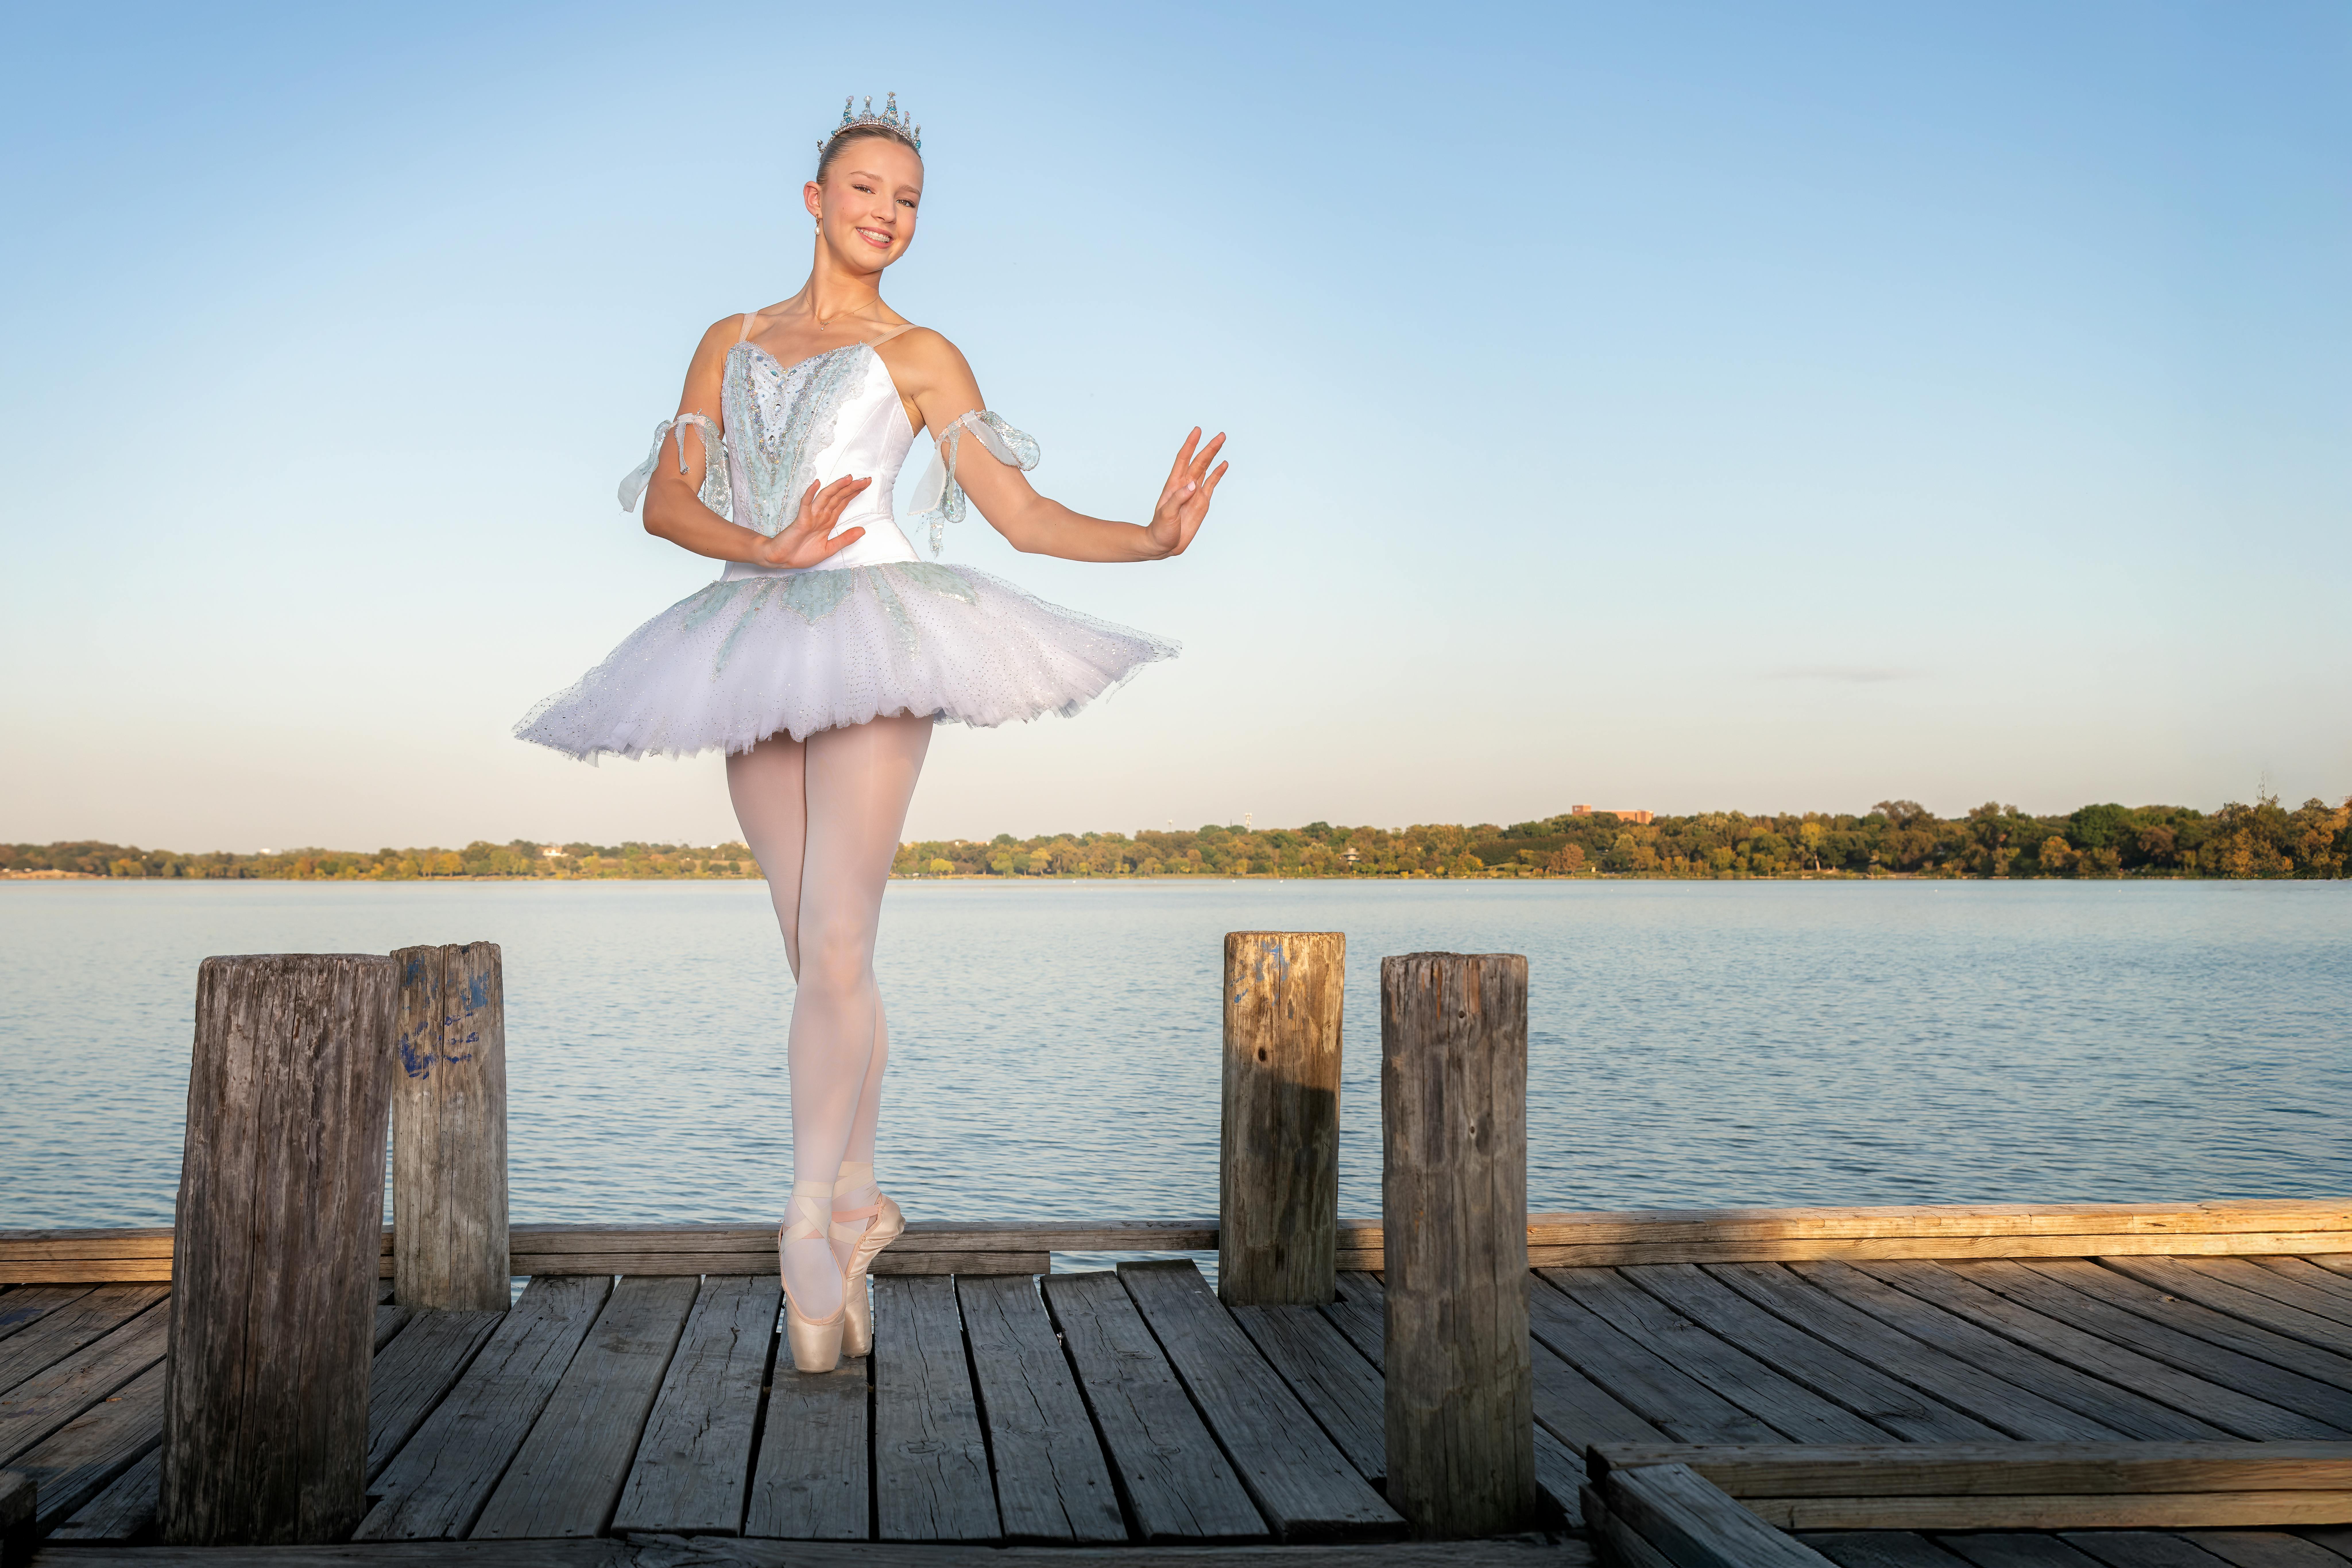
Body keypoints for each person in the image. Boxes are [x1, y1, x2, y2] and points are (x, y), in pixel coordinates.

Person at [515, 95, 1225, 1373]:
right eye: (865, 190)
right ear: (813, 200)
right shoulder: (727, 340)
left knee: (838, 935)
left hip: (879, 629)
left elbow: (1011, 511)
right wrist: (761, 546)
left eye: (906, 199)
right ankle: (857, 1205)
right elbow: (667, 504)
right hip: (745, 627)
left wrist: (1151, 538)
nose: (886, 214)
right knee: (809, 946)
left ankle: (801, 1221)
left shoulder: (921, 352)